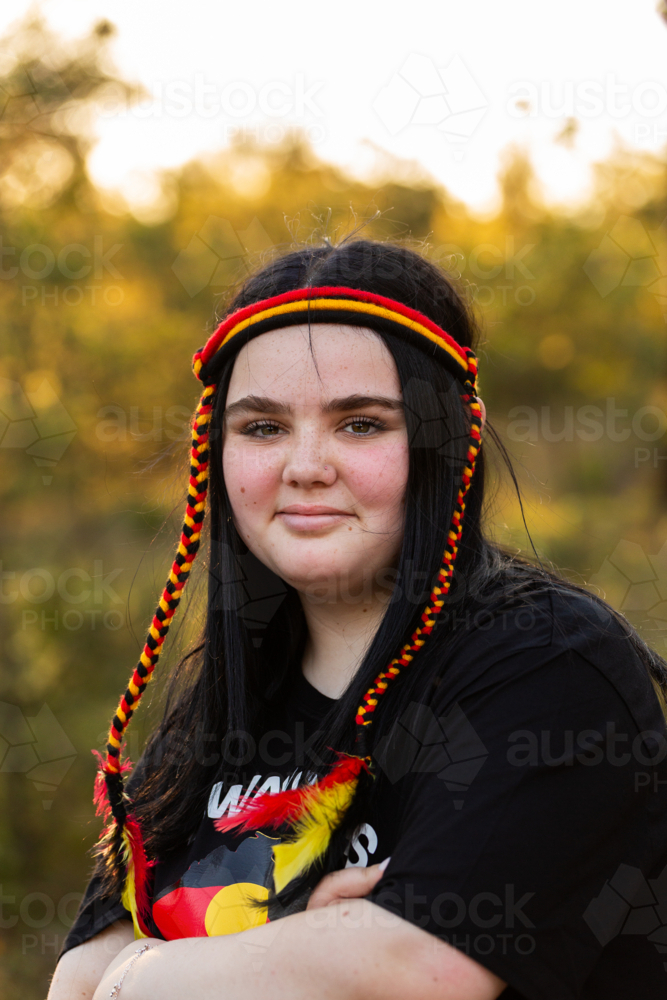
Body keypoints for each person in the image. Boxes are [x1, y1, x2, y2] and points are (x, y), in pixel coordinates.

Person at [48, 239, 667, 1000]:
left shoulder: (547, 664)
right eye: (263, 428)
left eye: (361, 424)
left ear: (441, 444)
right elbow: (76, 974)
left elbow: (419, 970)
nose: (305, 465)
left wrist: (147, 974)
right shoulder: (224, 703)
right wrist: (293, 943)